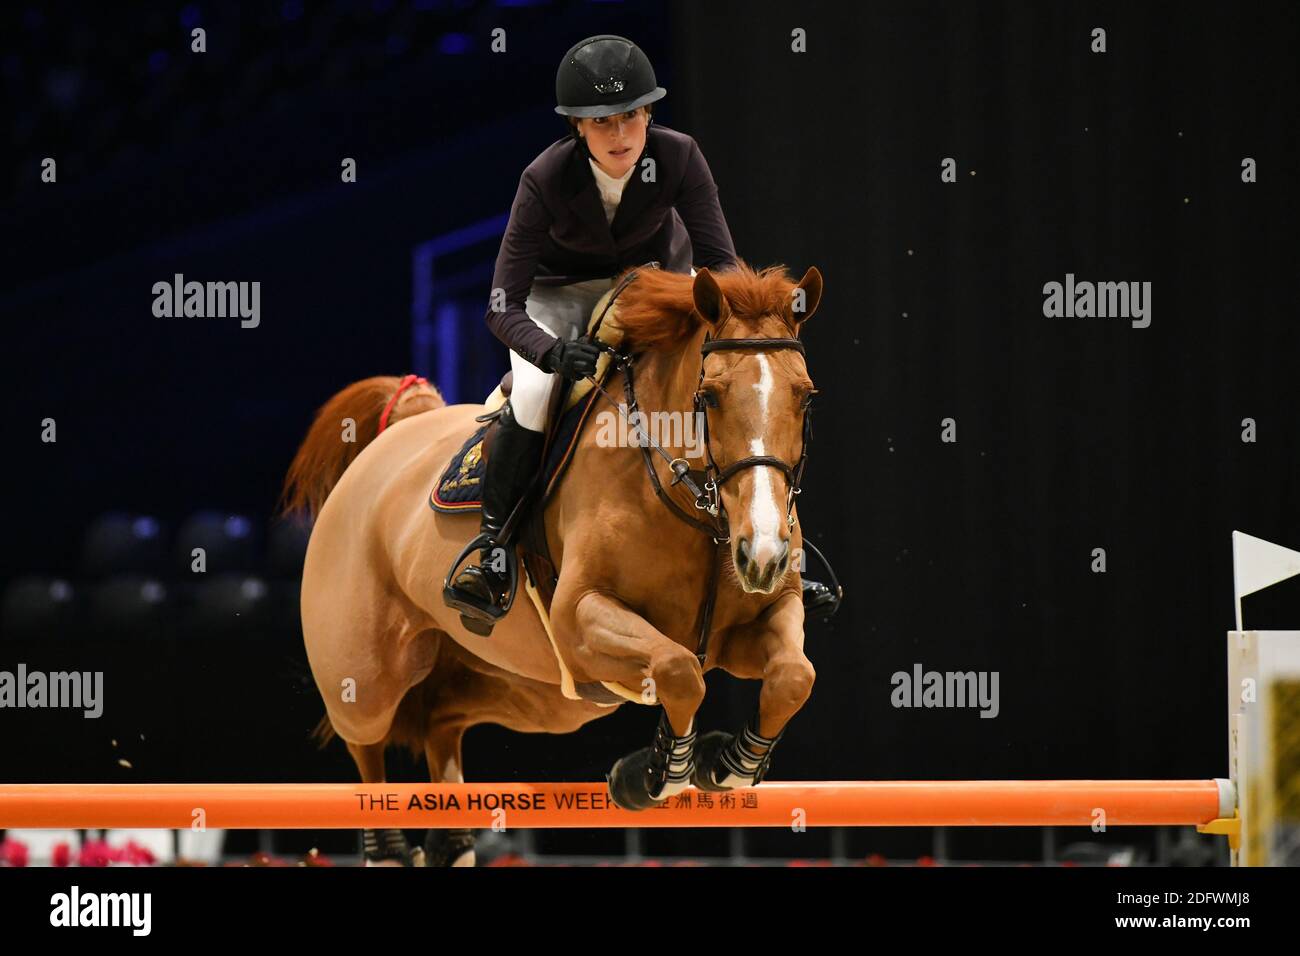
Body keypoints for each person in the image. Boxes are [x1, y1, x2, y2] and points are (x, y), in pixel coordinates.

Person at [446, 34, 836, 626]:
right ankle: (495, 547)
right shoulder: (544, 178)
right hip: (558, 297)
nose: (620, 134)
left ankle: (788, 549)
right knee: (529, 393)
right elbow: (501, 306)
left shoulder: (679, 156)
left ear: (649, 113)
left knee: (737, 387)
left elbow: (723, 266)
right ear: (578, 127)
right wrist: (551, 352)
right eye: (602, 121)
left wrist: (741, 327)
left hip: (657, 289)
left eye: (630, 115)